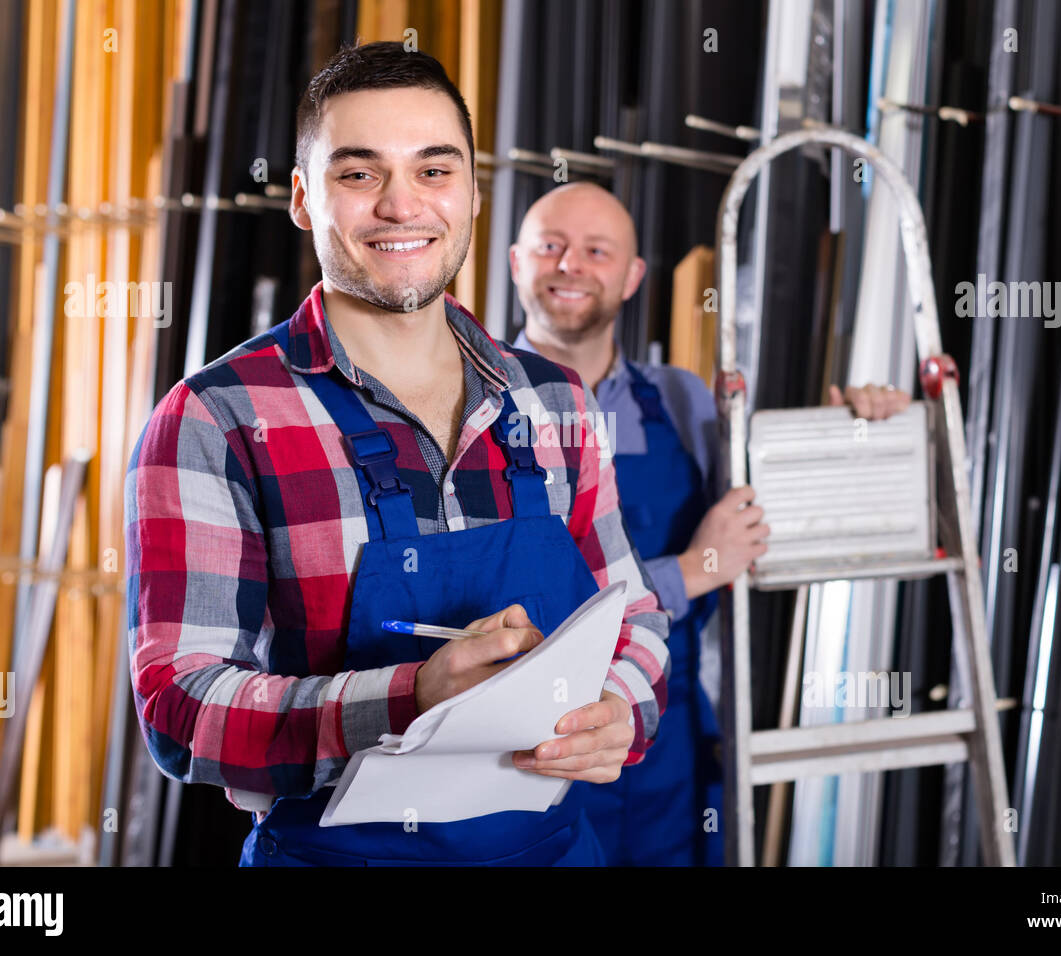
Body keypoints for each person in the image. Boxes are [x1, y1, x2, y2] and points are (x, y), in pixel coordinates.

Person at [124, 43, 670, 867]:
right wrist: (410, 700)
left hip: (554, 851)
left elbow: (632, 615)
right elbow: (180, 706)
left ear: (474, 194)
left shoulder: (557, 402)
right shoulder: (217, 418)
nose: (401, 205)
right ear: (304, 199)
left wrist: (623, 712)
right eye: (359, 174)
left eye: (434, 170)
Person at [507, 182, 910, 865]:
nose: (571, 265)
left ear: (632, 276)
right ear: (517, 262)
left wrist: (857, 430)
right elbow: (496, 599)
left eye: (596, 251)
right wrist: (692, 571)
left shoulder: (677, 398)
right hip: (532, 745)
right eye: (551, 247)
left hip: (670, 740)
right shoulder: (476, 400)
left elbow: (767, 520)